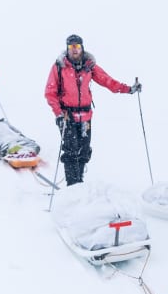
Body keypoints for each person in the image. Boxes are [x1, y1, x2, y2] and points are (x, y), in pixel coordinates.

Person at [43, 34, 139, 186]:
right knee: (70, 151)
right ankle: (72, 186)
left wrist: (128, 89)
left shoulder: (89, 66)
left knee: (84, 151)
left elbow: (107, 81)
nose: (74, 50)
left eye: (77, 47)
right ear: (67, 49)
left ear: (82, 48)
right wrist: (58, 114)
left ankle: (79, 182)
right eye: (71, 47)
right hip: (67, 116)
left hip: (86, 116)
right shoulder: (59, 67)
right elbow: (50, 93)